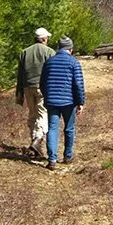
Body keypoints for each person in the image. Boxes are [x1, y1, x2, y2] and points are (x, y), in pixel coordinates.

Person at [40, 35, 85, 171]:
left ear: (59, 48)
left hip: (52, 101)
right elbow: (78, 84)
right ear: (70, 49)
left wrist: (47, 96)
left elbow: (42, 83)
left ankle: (52, 159)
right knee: (69, 128)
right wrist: (80, 102)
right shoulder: (74, 62)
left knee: (53, 129)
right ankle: (67, 156)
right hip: (68, 102)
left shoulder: (49, 62)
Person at [15, 27, 56, 159]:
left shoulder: (24, 52)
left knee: (33, 114)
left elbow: (20, 75)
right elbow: (52, 72)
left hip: (27, 87)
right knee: (43, 114)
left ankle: (34, 148)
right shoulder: (50, 52)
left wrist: (19, 93)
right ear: (44, 39)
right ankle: (37, 140)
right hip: (43, 87)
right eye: (47, 38)